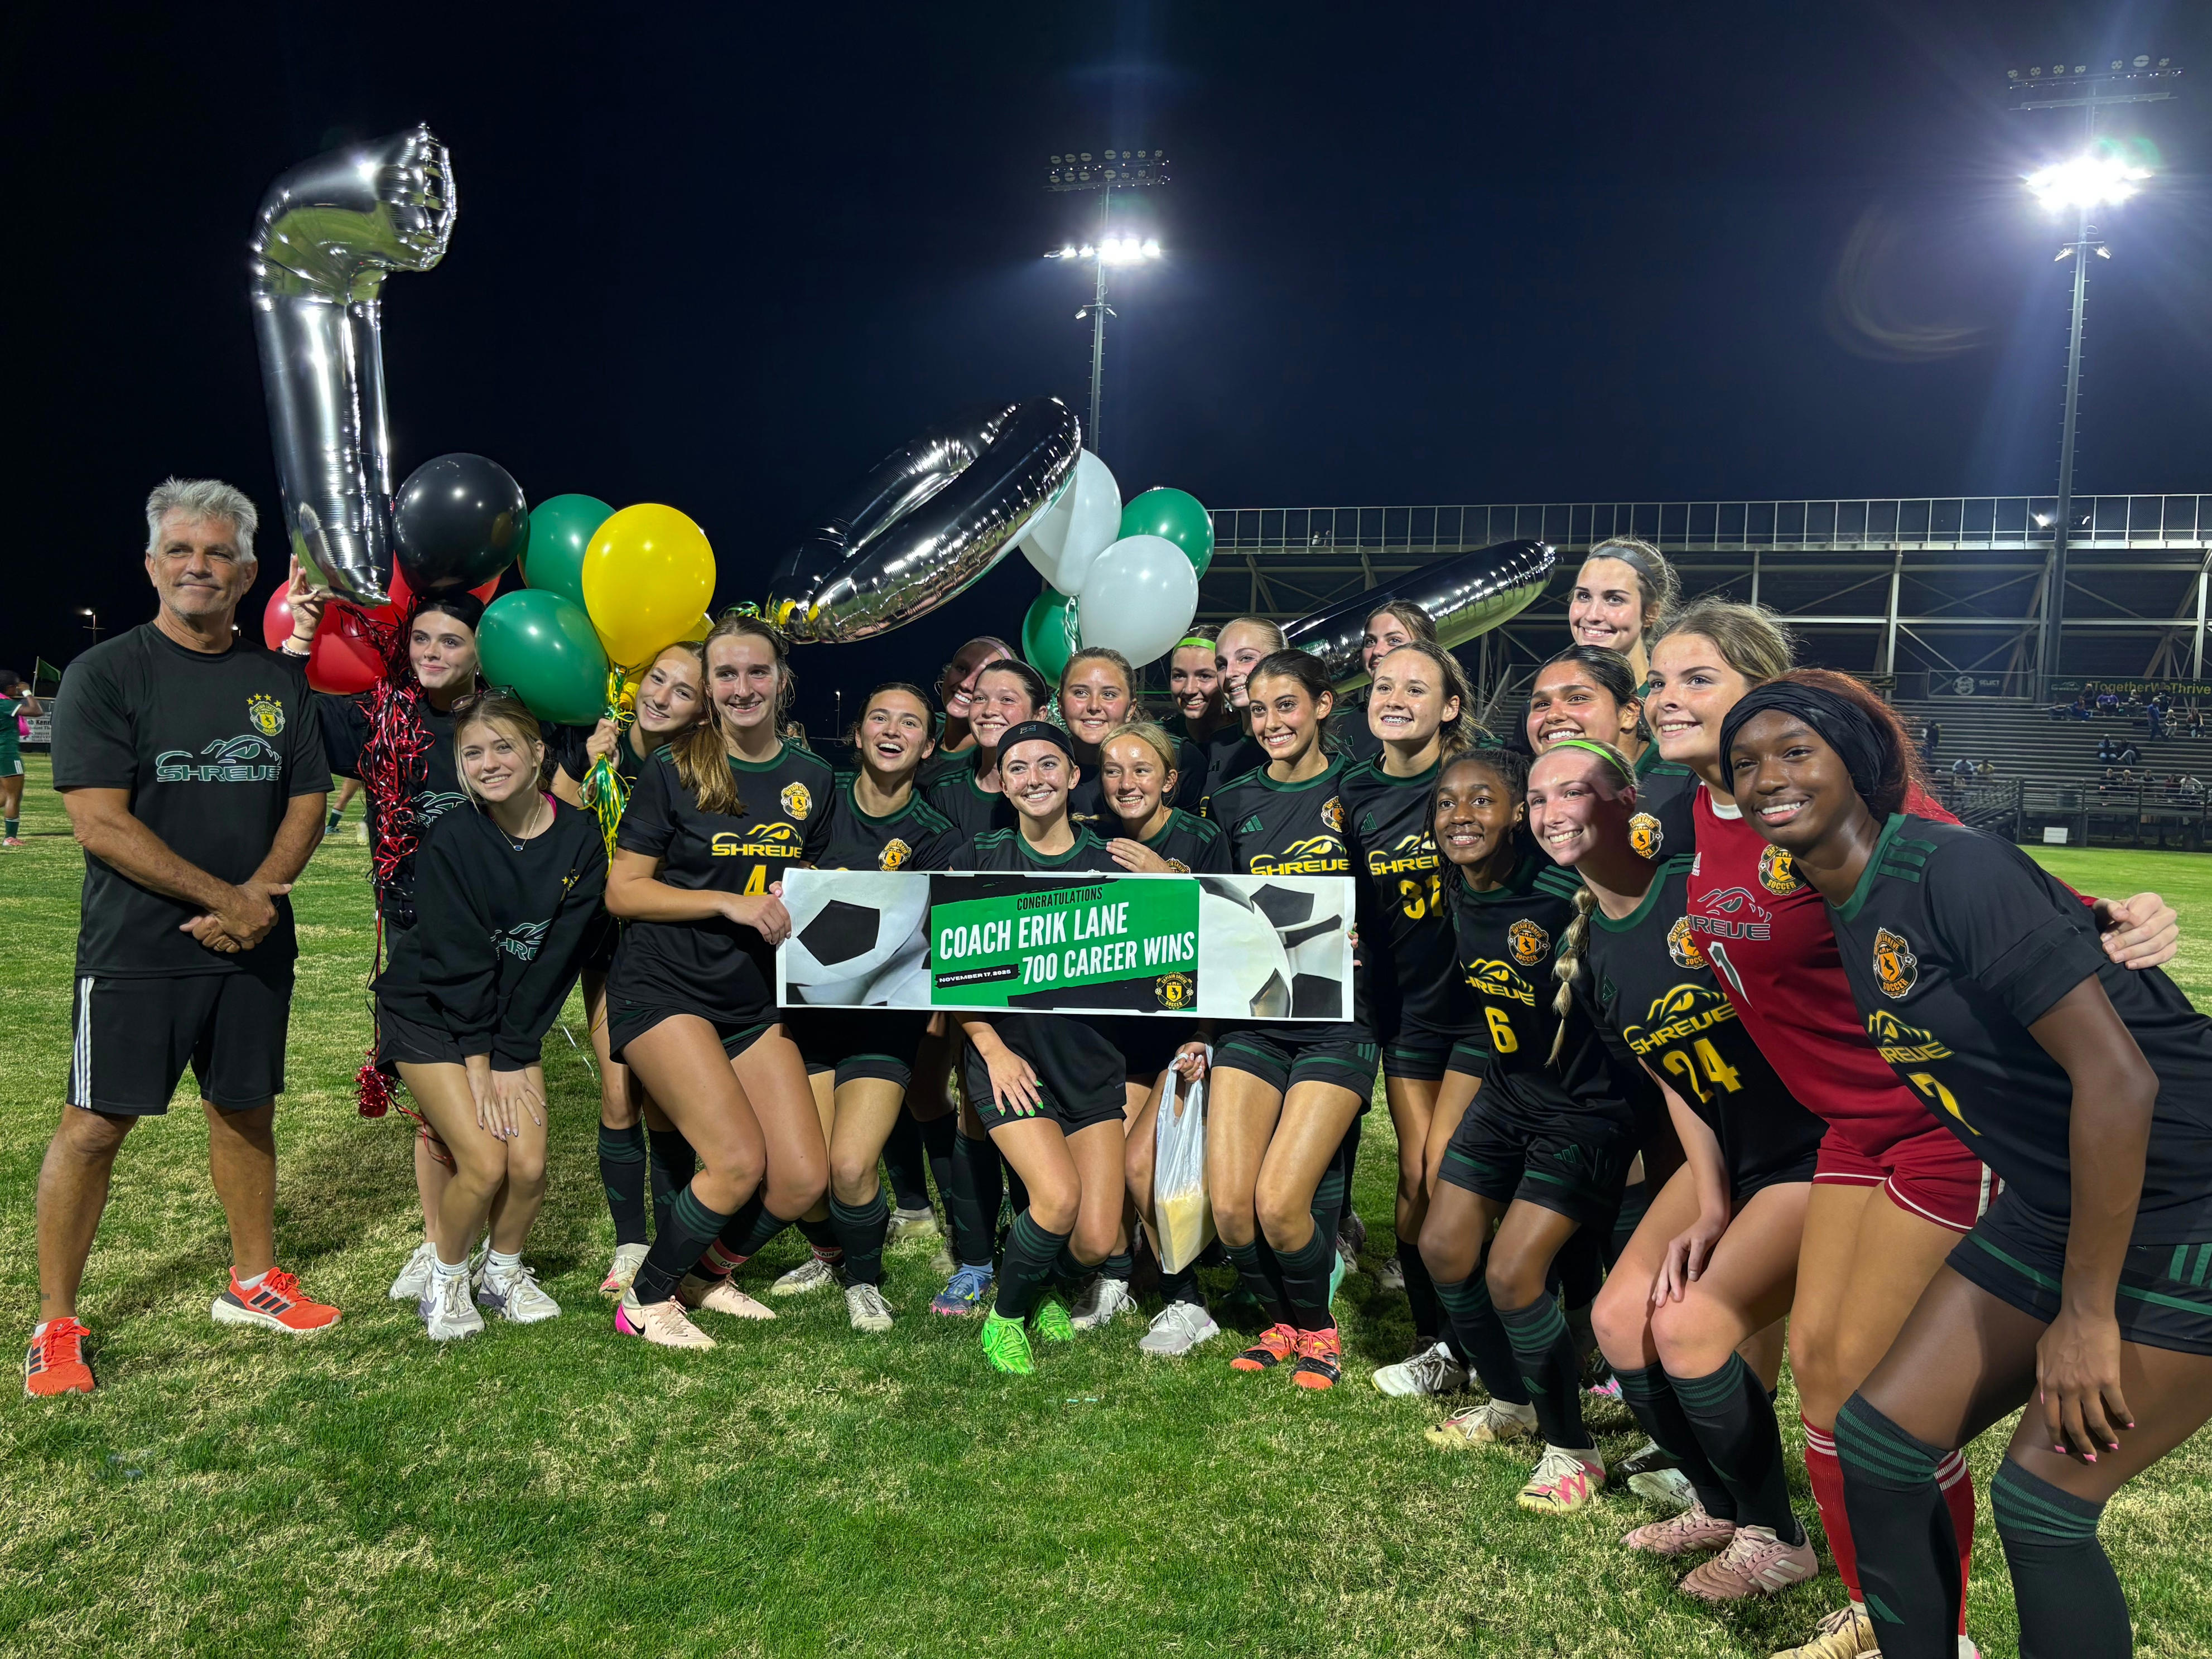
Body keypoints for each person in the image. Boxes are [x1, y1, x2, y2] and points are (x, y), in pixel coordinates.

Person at [1642, 602, 2177, 1659]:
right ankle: (1876, 1604)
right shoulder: (1694, 813)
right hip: (1852, 1122)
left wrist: (2119, 908)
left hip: (1942, 1118)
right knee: (1821, 1363)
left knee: (1873, 1380)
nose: (1667, 697)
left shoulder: (1835, 789)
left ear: (1764, 687)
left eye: (1696, 678)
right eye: (1656, 679)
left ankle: (1940, 1630)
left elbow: (1983, 879)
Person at [28, 479, 337, 1398]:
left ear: (247, 574)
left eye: (217, 553)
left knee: (246, 1110)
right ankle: (54, 1322)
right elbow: (100, 823)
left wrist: (261, 896)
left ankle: (253, 1280)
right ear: (152, 565)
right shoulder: (108, 674)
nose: (198, 566)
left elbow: (308, 799)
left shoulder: (279, 680)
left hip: (254, 942)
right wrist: (226, 898)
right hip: (137, 946)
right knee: (94, 1126)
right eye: (181, 550)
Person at [1538, 737, 1828, 1602]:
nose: (1554, 808)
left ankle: (1779, 1536)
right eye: (1539, 795)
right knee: (1621, 1318)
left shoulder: (1694, 893)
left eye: (1575, 790)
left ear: (1627, 801)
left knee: (1688, 1327)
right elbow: (1676, 1078)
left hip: (1813, 1148)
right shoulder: (1587, 949)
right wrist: (1709, 1201)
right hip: (1731, 1157)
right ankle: (1718, 1503)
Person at [1414, 747, 1642, 1512]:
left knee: (1513, 1274)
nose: (1461, 816)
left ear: (1518, 813)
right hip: (1507, 1094)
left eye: (1482, 800)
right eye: (1446, 804)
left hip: (1584, 1109)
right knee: (1442, 1245)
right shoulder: (1459, 890)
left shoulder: (1558, 891)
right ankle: (1510, 1403)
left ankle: (1571, 1447)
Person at [600, 614, 834, 1348]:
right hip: (664, 987)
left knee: (801, 1180)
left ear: (781, 680)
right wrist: (725, 900)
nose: (742, 687)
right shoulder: (677, 768)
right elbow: (624, 891)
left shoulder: (814, 778)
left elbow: (815, 888)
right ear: (708, 692)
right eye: (724, 675)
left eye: (755, 671)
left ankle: (704, 1275)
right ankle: (646, 1296)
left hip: (750, 998)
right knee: (736, 1161)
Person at [279, 566, 491, 1300]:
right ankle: (438, 1244)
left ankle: (485, 1249)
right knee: (437, 1106)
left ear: (481, 650)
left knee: (491, 1100)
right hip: (413, 943)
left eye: (451, 641)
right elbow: (288, 713)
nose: (432, 651)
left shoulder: (507, 724)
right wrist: (301, 638)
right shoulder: (382, 715)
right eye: (422, 637)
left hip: (497, 945)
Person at [372, 692, 606, 1339]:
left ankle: (501, 1272)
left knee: (528, 1164)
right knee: (483, 1160)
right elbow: (459, 961)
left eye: (504, 746)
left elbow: (556, 960)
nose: (488, 762)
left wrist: (511, 1053)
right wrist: (482, 1065)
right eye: (472, 752)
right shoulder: (452, 837)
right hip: (430, 1012)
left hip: (507, 1024)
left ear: (538, 752)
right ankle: (446, 1280)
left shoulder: (583, 841)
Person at [1188, 650, 1377, 1390]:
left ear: (1325, 705)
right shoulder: (1233, 803)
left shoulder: (1357, 790)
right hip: (1258, 1013)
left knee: (1280, 1201)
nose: (1271, 723)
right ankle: (1280, 1320)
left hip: (1338, 1018)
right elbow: (1219, 910)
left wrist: (1374, 928)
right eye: (1258, 710)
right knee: (1233, 1210)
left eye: (1287, 706)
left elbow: (1395, 882)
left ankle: (1320, 1331)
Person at [959, 721, 1165, 1375]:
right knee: (1055, 1199)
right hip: (1008, 1062)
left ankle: (1044, 1280)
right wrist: (990, 1048)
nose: (1034, 778)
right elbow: (939, 970)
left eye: (1048, 764)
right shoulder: (979, 857)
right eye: (1016, 768)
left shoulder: (1115, 860)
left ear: (1074, 777)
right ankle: (1005, 1316)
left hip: (1089, 1066)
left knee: (1097, 1239)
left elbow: (1189, 945)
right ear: (1000, 782)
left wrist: (1167, 879)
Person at [1327, 642, 1486, 1396]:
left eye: (1414, 687)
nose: (1393, 696)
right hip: (1407, 1011)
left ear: (1448, 706)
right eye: (1382, 685)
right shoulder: (1353, 791)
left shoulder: (1474, 781)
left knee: (1442, 1169)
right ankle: (1437, 1341)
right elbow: (1351, 896)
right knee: (1414, 1177)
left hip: (1478, 1010)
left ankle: (1471, 1340)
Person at [782, 682, 964, 1331]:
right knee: (801, 1172)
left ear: (928, 744)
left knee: (852, 1164)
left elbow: (939, 939)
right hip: (800, 1015)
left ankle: (865, 1281)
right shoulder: (814, 801)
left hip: (881, 1019)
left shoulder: (936, 836)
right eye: (878, 717)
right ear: (856, 733)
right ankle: (829, 1251)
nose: (892, 730)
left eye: (909, 722)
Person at [548, 641, 709, 1295]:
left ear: (702, 710)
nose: (661, 695)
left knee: (667, 1104)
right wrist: (587, 770)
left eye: (681, 690)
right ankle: (629, 1243)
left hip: (669, 945)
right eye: (657, 678)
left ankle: (674, 1242)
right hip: (606, 940)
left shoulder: (698, 764)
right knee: (618, 1095)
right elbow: (551, 829)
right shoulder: (593, 744)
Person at [1109, 717, 1236, 1354]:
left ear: (1170, 779)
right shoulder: (1095, 841)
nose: (1126, 783)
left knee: (1143, 1164)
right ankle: (1128, 1275)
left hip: (1184, 1030)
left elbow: (1230, 930)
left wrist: (1204, 1035)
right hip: (1126, 1035)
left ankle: (1186, 1300)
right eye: (1112, 771)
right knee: (1118, 1174)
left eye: (1141, 769)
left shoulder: (1202, 838)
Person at [1058, 646, 1206, 824]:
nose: (1094, 706)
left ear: (1131, 709)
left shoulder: (1177, 758)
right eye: (1081, 693)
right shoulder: (1043, 770)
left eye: (1109, 694)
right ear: (1061, 704)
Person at [924, 657, 1048, 845]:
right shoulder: (945, 794)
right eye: (980, 698)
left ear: (1039, 715)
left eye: (1007, 700)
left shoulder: (1053, 790)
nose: (989, 710)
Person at [1326, 600, 1438, 765]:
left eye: (1394, 640)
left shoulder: (1451, 728)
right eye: (1370, 642)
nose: (1377, 651)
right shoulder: (1333, 725)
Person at [1566, 536, 1678, 686]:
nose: (1593, 615)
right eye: (1584, 596)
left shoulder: (1668, 705)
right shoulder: (1549, 702)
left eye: (1614, 599)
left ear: (1651, 612)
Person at [917, 634, 1016, 790]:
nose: (966, 684)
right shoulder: (919, 727)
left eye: (982, 678)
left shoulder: (990, 767)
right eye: (962, 669)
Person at [0, 667, 45, 847]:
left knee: (3, 796)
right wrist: (27, 692)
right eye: (15, 687)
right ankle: (10, 838)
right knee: (14, 796)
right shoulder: (6, 704)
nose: (17, 690)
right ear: (9, 688)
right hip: (7, 753)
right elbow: (36, 711)